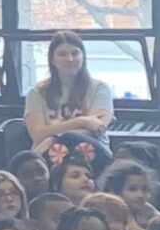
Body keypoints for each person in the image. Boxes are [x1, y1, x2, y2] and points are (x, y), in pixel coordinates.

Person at [20, 33, 114, 170]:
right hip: (48, 159)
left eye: (75, 53)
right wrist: (81, 122)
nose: (70, 59)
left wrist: (52, 137)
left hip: (92, 157)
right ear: (52, 59)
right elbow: (38, 135)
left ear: (83, 57)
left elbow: (96, 129)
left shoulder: (100, 89)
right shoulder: (36, 92)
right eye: (62, 54)